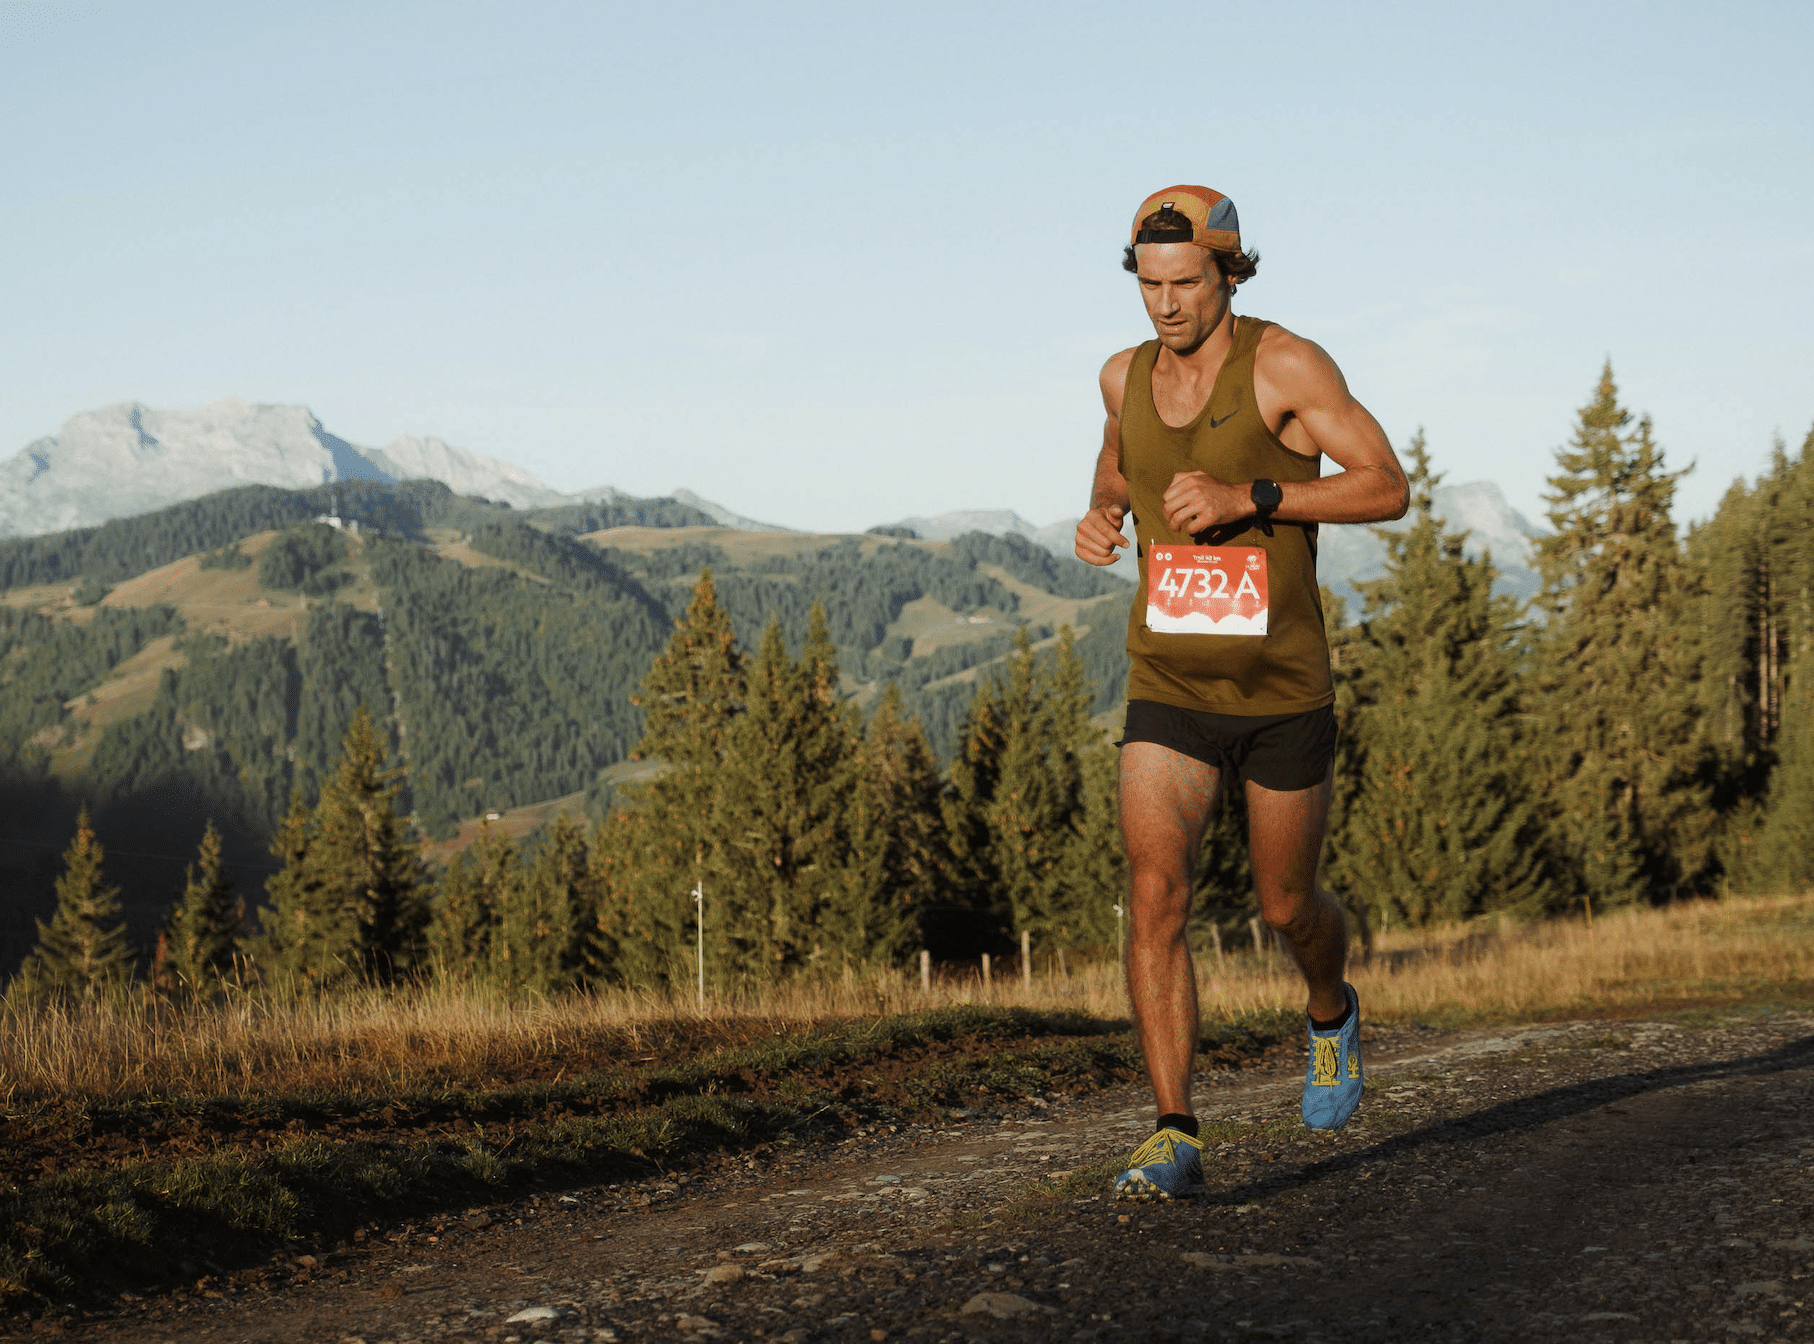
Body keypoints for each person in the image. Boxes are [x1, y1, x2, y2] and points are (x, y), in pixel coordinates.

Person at [1073, 185, 1409, 1201]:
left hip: (1280, 691)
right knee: (1153, 890)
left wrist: (1252, 495)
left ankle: (1326, 1007)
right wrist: (1099, 516)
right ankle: (1172, 1131)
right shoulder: (1119, 375)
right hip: (1168, 682)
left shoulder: (1284, 364)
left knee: (1284, 903)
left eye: (1184, 283)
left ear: (1228, 271)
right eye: (1148, 284)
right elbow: (1114, 468)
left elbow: (1384, 485)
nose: (1165, 305)